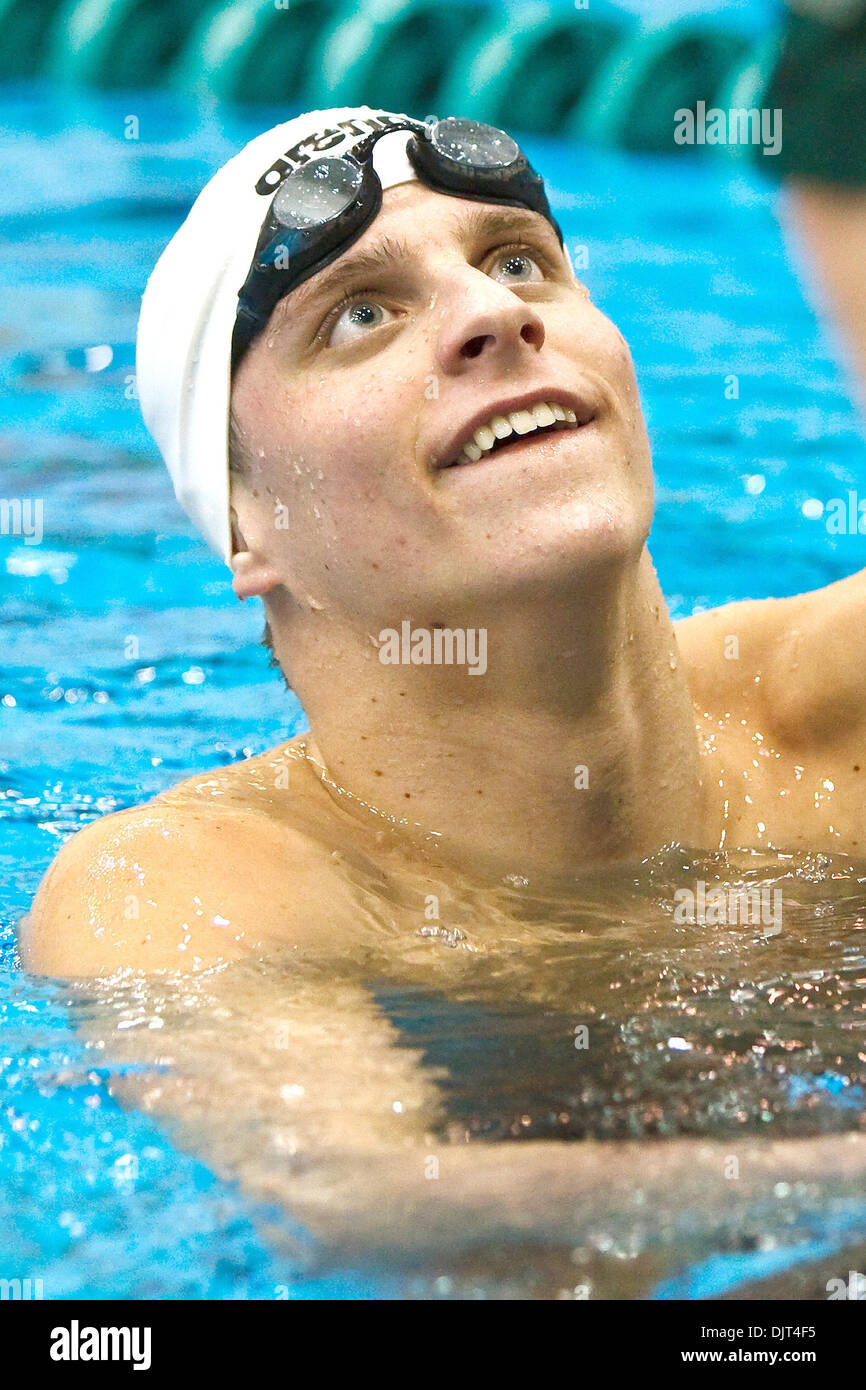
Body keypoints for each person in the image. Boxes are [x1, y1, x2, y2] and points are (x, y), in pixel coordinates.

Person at [17, 105, 866, 1295]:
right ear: (245, 519)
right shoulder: (200, 891)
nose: (490, 313)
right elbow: (374, 1203)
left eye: (516, 259)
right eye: (360, 315)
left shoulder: (836, 712)